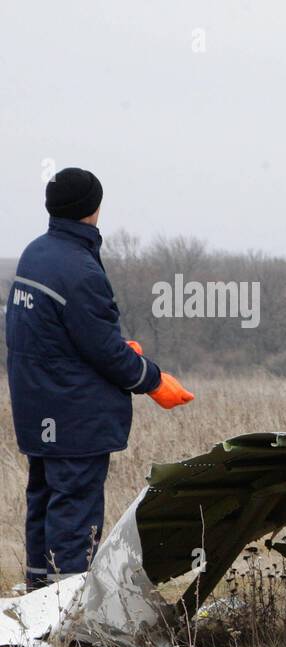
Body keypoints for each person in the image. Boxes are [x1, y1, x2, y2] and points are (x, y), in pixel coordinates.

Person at [5, 168, 193, 592]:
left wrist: (117, 346)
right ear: (94, 209)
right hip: (74, 413)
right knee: (74, 507)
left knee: (44, 499)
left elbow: (61, 334)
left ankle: (39, 595)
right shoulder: (80, 269)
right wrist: (153, 380)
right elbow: (104, 352)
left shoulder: (36, 253)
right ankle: (68, 607)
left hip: (37, 405)